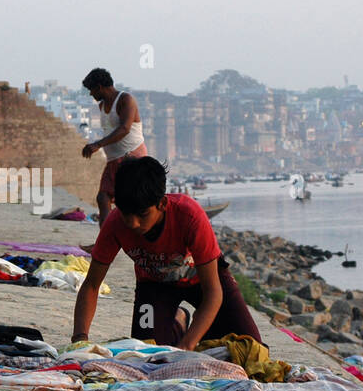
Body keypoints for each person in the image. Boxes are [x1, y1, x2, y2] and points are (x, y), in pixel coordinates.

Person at [73, 157, 261, 349]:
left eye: (142, 214)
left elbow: (213, 292)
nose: (133, 223)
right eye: (125, 213)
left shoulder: (189, 216)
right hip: (154, 285)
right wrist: (79, 339)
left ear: (162, 204)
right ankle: (178, 321)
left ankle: (191, 327)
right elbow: (91, 285)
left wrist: (186, 346)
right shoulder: (115, 224)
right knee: (147, 351)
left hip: (201, 281)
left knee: (251, 347)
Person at [80, 68, 146, 227]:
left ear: (100, 87)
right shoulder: (102, 105)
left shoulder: (125, 100)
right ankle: (104, 242)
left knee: (133, 202)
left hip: (132, 158)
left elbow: (125, 128)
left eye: (91, 90)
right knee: (103, 198)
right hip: (113, 160)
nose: (91, 94)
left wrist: (97, 144)